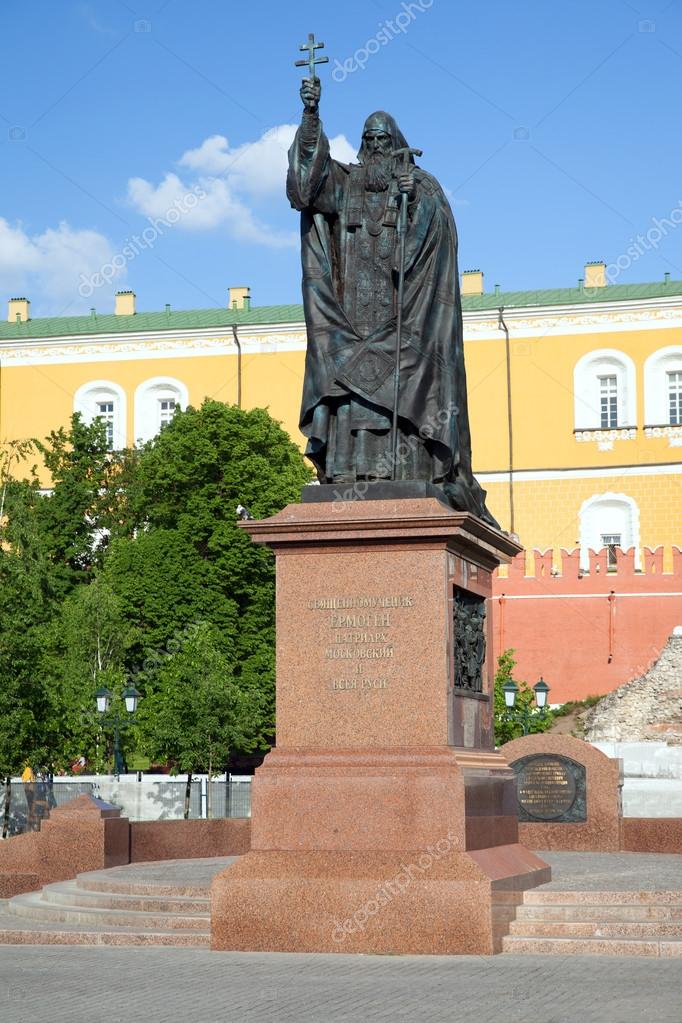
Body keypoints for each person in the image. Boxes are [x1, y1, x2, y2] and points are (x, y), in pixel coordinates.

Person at [287, 76, 497, 525]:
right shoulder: (347, 184)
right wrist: (311, 117)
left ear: (397, 143)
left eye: (383, 139)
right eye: (368, 140)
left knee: (404, 386)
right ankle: (349, 473)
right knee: (352, 396)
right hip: (350, 317)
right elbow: (305, 190)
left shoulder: (421, 186)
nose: (375, 147)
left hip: (406, 314)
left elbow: (440, 237)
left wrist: (413, 199)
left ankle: (411, 469)